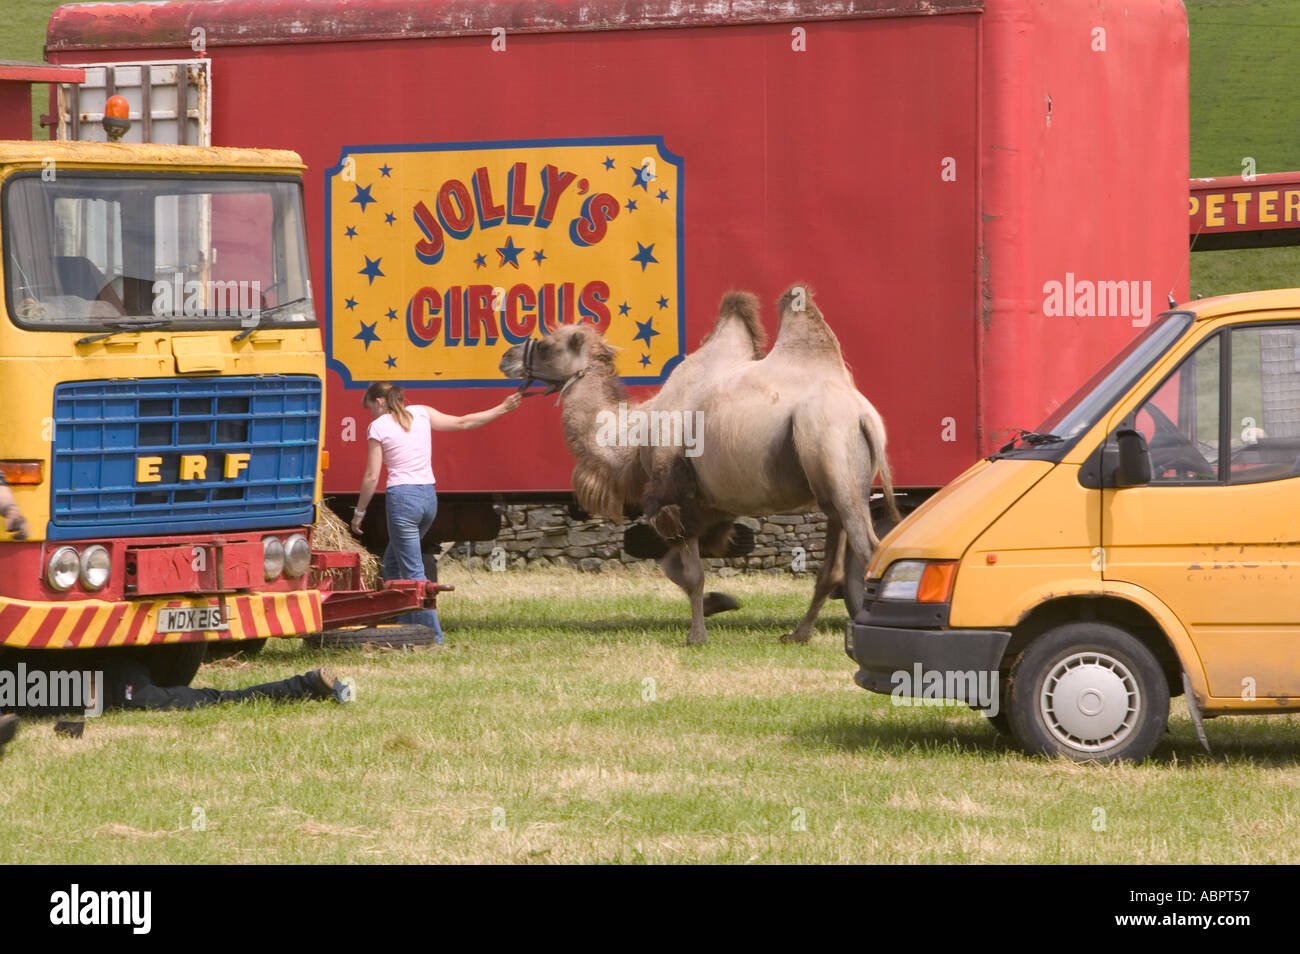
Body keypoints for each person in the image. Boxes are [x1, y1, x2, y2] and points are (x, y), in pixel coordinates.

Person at [351, 382, 521, 642]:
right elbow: (464, 422)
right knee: (393, 564)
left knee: (413, 573)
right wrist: (501, 408)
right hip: (428, 499)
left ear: (380, 402)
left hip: (403, 499)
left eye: (370, 407)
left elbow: (372, 476)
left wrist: (360, 512)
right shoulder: (422, 413)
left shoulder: (378, 426)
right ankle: (404, 630)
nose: (371, 413)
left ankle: (434, 637)